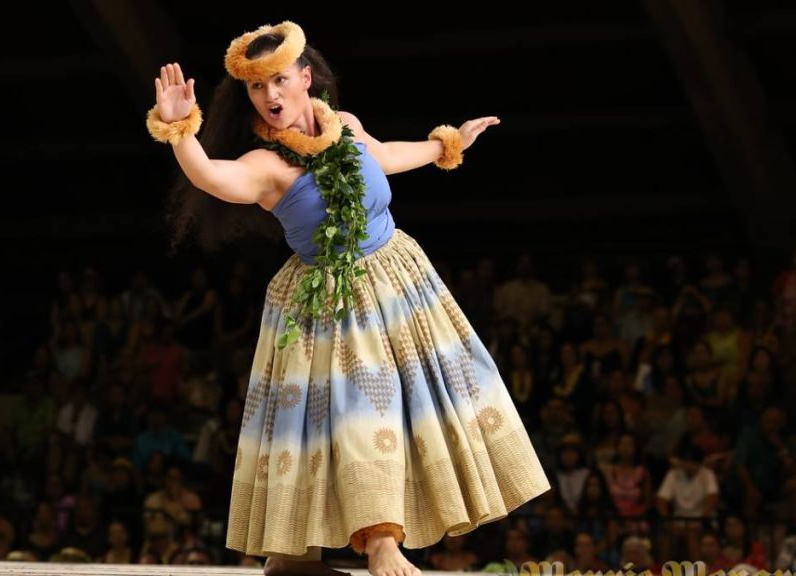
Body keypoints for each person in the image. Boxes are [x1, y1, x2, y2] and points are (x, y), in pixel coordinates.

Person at [146, 20, 550, 576]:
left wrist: (445, 143)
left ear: (306, 78)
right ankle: (362, 545)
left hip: (397, 281)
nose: (269, 96)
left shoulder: (345, 128)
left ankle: (292, 558)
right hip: (328, 303)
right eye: (257, 88)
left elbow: (381, 157)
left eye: (279, 80)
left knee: (405, 409)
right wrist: (179, 130)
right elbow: (213, 177)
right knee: (359, 413)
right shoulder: (269, 167)